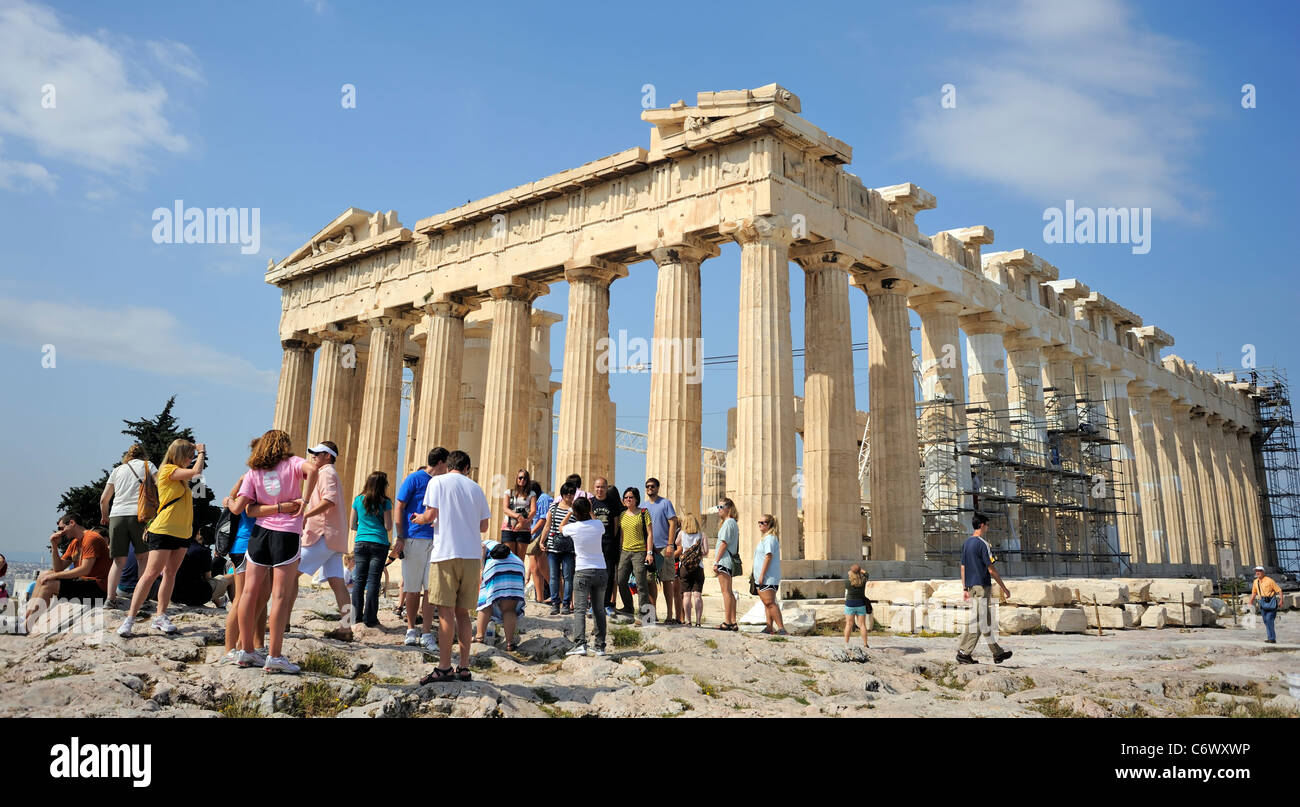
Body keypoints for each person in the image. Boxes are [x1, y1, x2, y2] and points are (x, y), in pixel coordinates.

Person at [229, 429, 319, 674]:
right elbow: (313, 470)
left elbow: (244, 511)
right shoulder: (293, 463)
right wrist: (304, 499)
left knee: (248, 591)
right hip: (287, 534)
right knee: (279, 595)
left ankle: (246, 650)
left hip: (259, 536)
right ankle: (275, 655)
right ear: (284, 445)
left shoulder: (253, 472)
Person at [411, 450, 491, 683]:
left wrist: (419, 518)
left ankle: (444, 667)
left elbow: (430, 515)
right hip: (471, 556)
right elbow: (484, 526)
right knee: (463, 614)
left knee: (445, 613)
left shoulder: (437, 482)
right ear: (467, 468)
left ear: (449, 466)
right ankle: (464, 667)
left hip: (445, 553)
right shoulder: (476, 488)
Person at [118, 439, 206, 637]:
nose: (191, 459)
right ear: (179, 454)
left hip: (182, 532)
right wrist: (201, 453)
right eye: (188, 456)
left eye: (192, 456)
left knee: (171, 573)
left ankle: (161, 615)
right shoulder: (167, 470)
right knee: (151, 573)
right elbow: (197, 472)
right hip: (164, 529)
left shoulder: (182, 478)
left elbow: (196, 478)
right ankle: (130, 618)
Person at [394, 447, 448, 652]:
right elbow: (399, 505)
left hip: (436, 540)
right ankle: (410, 629)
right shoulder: (414, 479)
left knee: (431, 589)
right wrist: (400, 535)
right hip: (414, 538)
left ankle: (426, 632)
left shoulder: (442, 483)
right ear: (441, 463)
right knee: (412, 588)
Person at [298, 441, 351, 636]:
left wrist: (305, 514)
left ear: (327, 456)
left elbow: (329, 500)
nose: (313, 456)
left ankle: (282, 620)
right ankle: (346, 628)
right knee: (338, 584)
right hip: (333, 537)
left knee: (289, 575)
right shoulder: (326, 472)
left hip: (322, 535)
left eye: (317, 454)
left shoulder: (327, 472)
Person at [24, 514, 111, 632]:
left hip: (98, 587)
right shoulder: (75, 543)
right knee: (43, 575)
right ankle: (26, 619)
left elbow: (85, 569)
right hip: (85, 582)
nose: (61, 532)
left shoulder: (91, 538)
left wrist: (54, 576)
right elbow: (58, 568)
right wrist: (54, 545)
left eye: (62, 528)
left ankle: (26, 625)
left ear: (72, 523)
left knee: (48, 585)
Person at [217, 468, 269, 665]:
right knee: (242, 598)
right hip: (246, 545)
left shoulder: (254, 482)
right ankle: (231, 649)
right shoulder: (255, 483)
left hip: (259, 545)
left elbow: (231, 498)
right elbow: (240, 507)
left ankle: (255, 645)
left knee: (263, 596)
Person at [98, 444, 156, 606]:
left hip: (117, 515)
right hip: (139, 515)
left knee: (118, 561)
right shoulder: (148, 465)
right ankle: (141, 598)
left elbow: (104, 499)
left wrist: (105, 516)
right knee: (143, 558)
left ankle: (110, 598)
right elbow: (160, 485)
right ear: (143, 455)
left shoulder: (117, 470)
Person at [958, 512, 1012, 665]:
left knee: (985, 621)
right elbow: (991, 569)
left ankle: (997, 653)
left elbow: (963, 567)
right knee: (979, 620)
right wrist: (1004, 588)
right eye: (987, 525)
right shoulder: (983, 544)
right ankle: (964, 652)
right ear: (981, 525)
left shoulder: (966, 543)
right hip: (982, 586)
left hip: (971, 586)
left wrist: (964, 588)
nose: (988, 527)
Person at [562, 497, 609, 656]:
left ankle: (580, 644)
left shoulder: (574, 528)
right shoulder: (598, 525)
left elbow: (561, 527)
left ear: (575, 512)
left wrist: (569, 512)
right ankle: (600, 645)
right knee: (599, 609)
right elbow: (596, 522)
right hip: (601, 569)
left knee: (580, 610)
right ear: (589, 510)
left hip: (582, 570)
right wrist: (590, 510)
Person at [350, 471, 393, 631]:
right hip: (379, 543)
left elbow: (352, 524)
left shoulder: (358, 499)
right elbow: (388, 526)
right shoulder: (385, 502)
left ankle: (355, 617)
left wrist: (364, 527)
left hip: (361, 542)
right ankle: (370, 619)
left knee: (359, 580)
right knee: (374, 581)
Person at [475, 540, 525, 650]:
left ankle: (479, 637)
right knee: (509, 609)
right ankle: (510, 643)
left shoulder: (476, 542)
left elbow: (482, 548)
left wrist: (481, 571)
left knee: (485, 604)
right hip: (516, 565)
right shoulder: (492, 542)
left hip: (493, 566)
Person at [613, 487, 654, 624]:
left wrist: (649, 553)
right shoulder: (623, 515)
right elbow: (621, 535)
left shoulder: (643, 513)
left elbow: (649, 534)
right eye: (626, 497)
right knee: (620, 580)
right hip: (625, 551)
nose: (628, 500)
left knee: (641, 584)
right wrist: (618, 552)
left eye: (630, 497)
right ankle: (628, 607)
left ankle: (646, 617)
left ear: (636, 499)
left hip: (640, 552)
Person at [643, 478, 679, 622]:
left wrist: (671, 544)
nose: (650, 488)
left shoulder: (665, 503)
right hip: (650, 549)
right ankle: (652, 615)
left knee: (666, 581)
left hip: (665, 547)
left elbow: (673, 522)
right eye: (647, 486)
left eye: (652, 486)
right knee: (649, 581)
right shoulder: (643, 506)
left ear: (658, 488)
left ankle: (670, 615)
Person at [543, 483, 577, 615]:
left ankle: (566, 604)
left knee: (568, 577)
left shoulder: (576, 509)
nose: (569, 495)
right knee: (553, 576)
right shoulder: (553, 506)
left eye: (572, 492)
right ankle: (555, 603)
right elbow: (547, 525)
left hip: (569, 548)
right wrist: (542, 541)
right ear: (562, 493)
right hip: (553, 546)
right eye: (567, 492)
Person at [592, 477, 623, 617]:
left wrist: (612, 537)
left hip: (609, 543)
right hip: (594, 544)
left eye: (602, 487)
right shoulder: (590, 503)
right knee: (594, 574)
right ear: (594, 488)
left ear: (606, 488)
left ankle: (606, 604)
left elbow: (616, 523)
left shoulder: (613, 503)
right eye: (597, 487)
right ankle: (594, 604)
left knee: (609, 574)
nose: (600, 490)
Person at [752, 514, 786, 635]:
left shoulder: (770, 538)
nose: (760, 524)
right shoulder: (765, 538)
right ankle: (769, 627)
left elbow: (768, 556)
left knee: (770, 603)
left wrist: (762, 574)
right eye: (759, 522)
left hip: (768, 577)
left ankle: (781, 628)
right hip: (763, 577)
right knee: (766, 604)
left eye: (763, 522)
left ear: (770, 524)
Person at [713, 498, 739, 631]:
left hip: (724, 560)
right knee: (730, 592)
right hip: (728, 560)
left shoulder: (728, 523)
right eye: (718, 506)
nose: (719, 509)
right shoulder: (732, 522)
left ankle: (727, 621)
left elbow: (724, 543)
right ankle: (733, 621)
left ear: (728, 508)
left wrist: (716, 561)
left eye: (721, 507)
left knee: (726, 592)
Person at [677, 513, 708, 627]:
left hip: (684, 567)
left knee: (686, 595)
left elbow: (676, 544)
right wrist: (696, 554)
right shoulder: (702, 535)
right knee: (697, 595)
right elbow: (706, 552)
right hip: (698, 567)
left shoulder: (681, 534)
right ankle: (698, 622)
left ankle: (688, 621)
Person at [501, 469, 536, 558]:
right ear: (517, 478)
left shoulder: (531, 494)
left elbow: (533, 511)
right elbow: (505, 509)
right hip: (509, 527)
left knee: (520, 559)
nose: (522, 480)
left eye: (525, 478)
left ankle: (519, 572)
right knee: (509, 557)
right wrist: (518, 516)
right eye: (520, 478)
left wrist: (523, 523)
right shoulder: (509, 492)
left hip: (524, 528)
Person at [527, 480, 552, 603]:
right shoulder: (535, 500)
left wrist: (530, 533)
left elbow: (543, 519)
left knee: (543, 567)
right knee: (534, 568)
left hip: (542, 535)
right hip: (534, 536)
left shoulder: (544, 499)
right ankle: (539, 598)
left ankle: (558, 595)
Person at [1247, 565, 1283, 644]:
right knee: (1265, 621)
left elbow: (1279, 590)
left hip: (1271, 601)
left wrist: (1281, 600)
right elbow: (1254, 592)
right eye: (1256, 571)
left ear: (1263, 572)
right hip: (1262, 602)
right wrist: (1250, 601)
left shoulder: (1269, 580)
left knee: (1269, 619)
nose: (1257, 572)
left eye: (1259, 571)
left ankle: (1272, 638)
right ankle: (1270, 637)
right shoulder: (1255, 581)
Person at [844, 564, 870, 648]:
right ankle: (865, 644)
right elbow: (867, 574)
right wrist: (860, 570)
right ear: (859, 572)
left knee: (848, 624)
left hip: (850, 604)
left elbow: (850, 577)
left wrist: (851, 572)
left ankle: (846, 643)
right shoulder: (863, 581)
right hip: (860, 604)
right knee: (862, 625)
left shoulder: (847, 582)